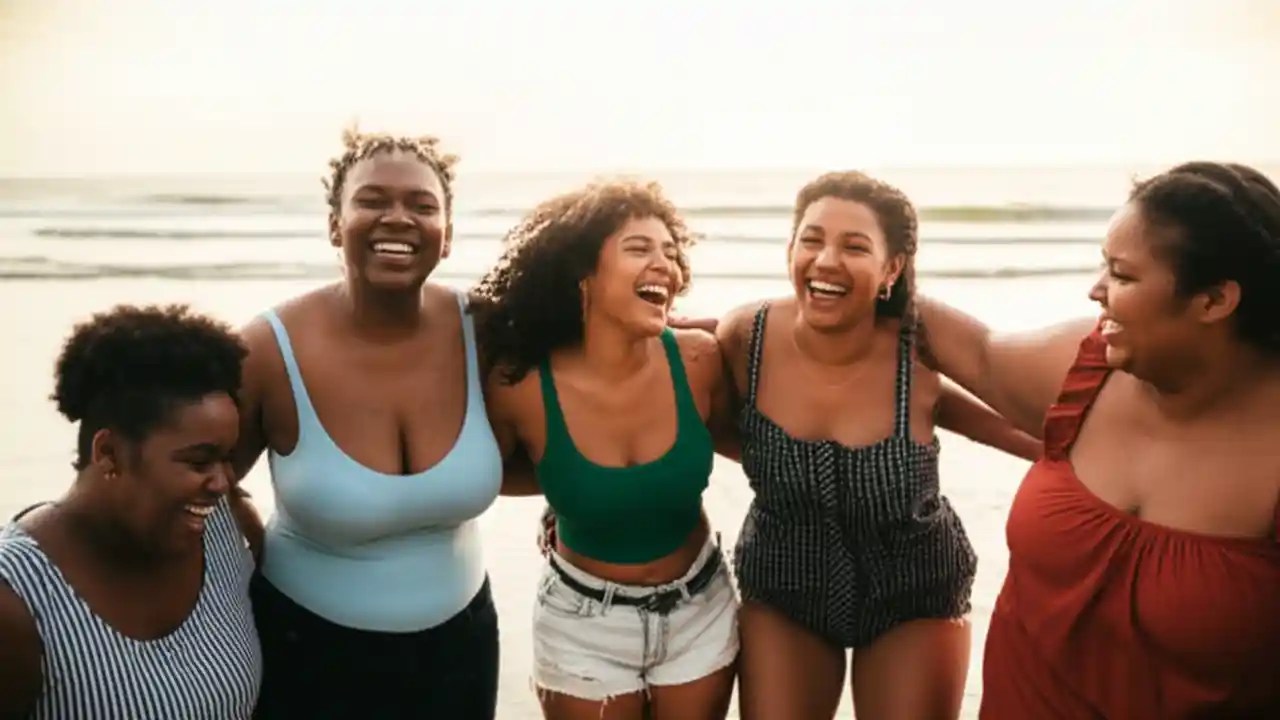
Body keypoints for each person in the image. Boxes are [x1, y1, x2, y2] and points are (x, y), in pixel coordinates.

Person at [917, 161, 1280, 718]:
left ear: (1214, 301)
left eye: (1123, 275)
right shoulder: (1083, 373)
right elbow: (967, 348)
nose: (1096, 291)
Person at [694, 171, 1038, 720]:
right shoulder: (746, 336)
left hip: (914, 594)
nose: (826, 259)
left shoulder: (919, 341)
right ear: (790, 250)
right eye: (811, 239)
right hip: (786, 587)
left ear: (891, 269)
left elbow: (1013, 410)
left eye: (854, 246)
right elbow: (676, 399)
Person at [232, 127, 505, 719]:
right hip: (307, 653)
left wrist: (568, 507)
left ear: (448, 236)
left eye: (422, 205)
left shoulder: (485, 333)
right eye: (373, 200)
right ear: (335, 224)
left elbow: (562, 415)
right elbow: (197, 479)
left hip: (461, 652)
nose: (398, 218)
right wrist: (255, 543)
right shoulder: (267, 349)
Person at [473, 179, 739, 720]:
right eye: (639, 248)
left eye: (670, 251)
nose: (664, 263)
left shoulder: (697, 360)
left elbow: (755, 446)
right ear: (582, 274)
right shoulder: (519, 385)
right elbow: (491, 475)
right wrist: (573, 493)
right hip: (582, 623)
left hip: (700, 609)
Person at [0, 304, 261, 719]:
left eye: (227, 458)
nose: (221, 482)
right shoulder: (17, 601)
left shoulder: (221, 530)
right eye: (198, 462)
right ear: (108, 453)